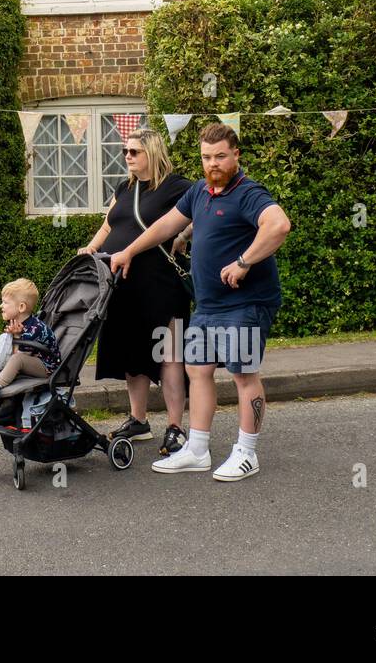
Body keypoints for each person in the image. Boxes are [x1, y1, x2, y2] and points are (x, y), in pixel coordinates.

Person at [110, 123, 291, 482]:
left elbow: (279, 226)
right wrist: (129, 250)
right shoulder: (199, 192)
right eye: (207, 157)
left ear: (235, 155)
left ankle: (246, 452)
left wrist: (244, 262)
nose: (213, 163)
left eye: (221, 156)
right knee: (198, 370)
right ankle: (197, 448)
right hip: (207, 304)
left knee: (243, 375)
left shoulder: (248, 193)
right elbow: (165, 225)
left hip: (245, 303)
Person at [81, 127, 194, 456]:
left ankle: (175, 426)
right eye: (125, 152)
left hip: (160, 285)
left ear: (153, 152)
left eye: (134, 152)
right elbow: (108, 225)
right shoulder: (124, 187)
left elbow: (197, 214)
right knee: (132, 353)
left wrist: (184, 234)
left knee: (169, 353)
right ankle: (138, 419)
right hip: (122, 283)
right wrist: (90, 248)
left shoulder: (177, 186)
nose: (127, 157)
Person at [0, 279, 58, 419]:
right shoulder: (18, 325)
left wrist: (18, 336)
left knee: (16, 359)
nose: (1, 306)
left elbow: (19, 356)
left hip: (47, 367)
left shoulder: (35, 328)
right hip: (29, 361)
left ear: (21, 307)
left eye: (5, 302)